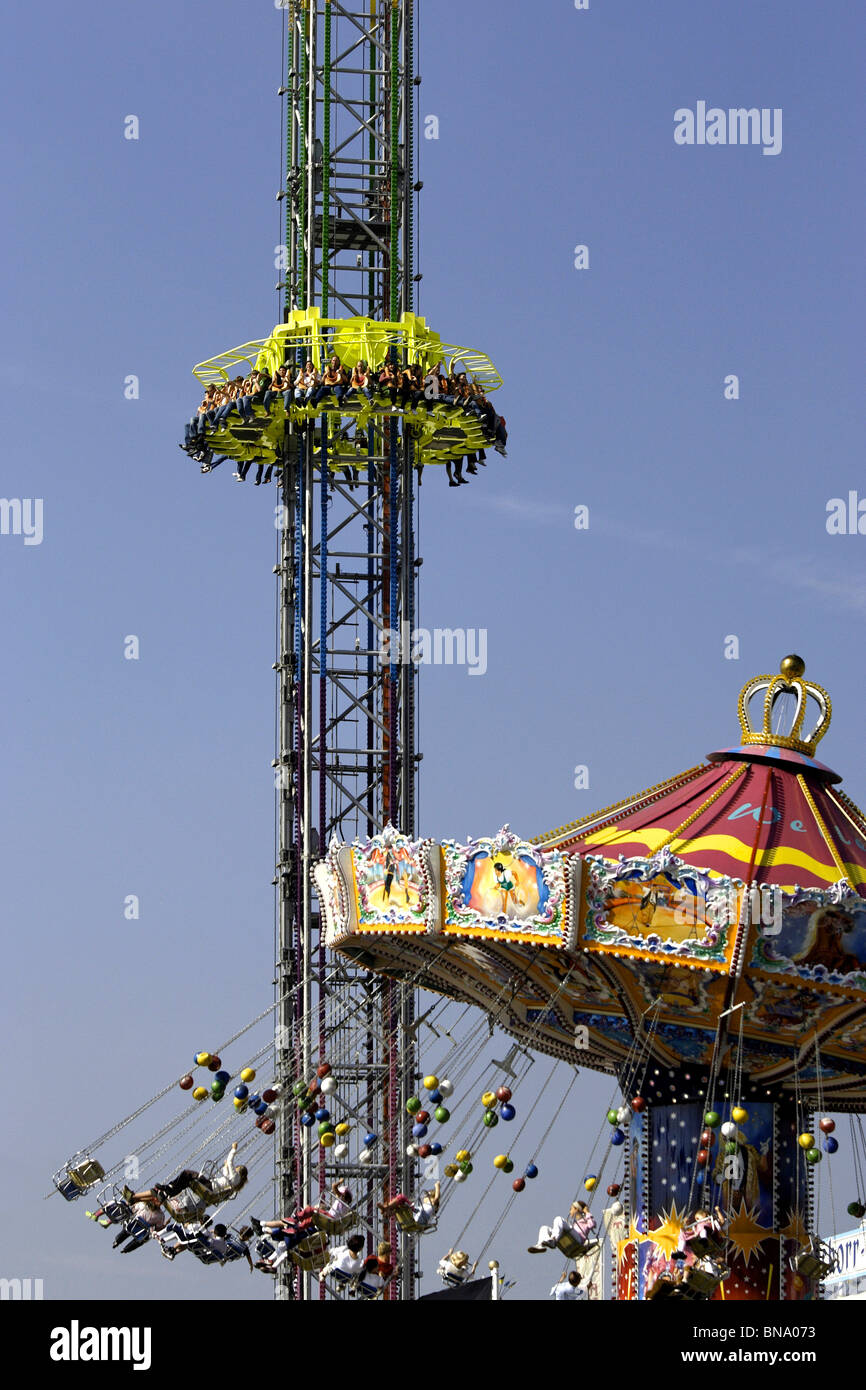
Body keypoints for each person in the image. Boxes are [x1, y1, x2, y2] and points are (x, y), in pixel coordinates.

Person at [128, 1142, 248, 1209]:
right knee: (187, 1179)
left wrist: (233, 1149)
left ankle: (169, 1188)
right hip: (211, 1188)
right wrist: (226, 1165)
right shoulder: (234, 1183)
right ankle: (163, 1191)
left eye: (237, 1168)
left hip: (209, 1187)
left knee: (187, 1173)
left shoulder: (236, 1177)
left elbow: (231, 1161)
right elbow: (226, 1172)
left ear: (239, 1171)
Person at [529, 1200, 596, 1254]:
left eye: (571, 1209)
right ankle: (540, 1245)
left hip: (579, 1239)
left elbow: (592, 1225)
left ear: (576, 1209)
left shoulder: (585, 1219)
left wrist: (587, 1212)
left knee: (558, 1219)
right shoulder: (573, 1223)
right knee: (544, 1228)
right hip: (572, 1236)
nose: (570, 1212)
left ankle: (553, 1240)